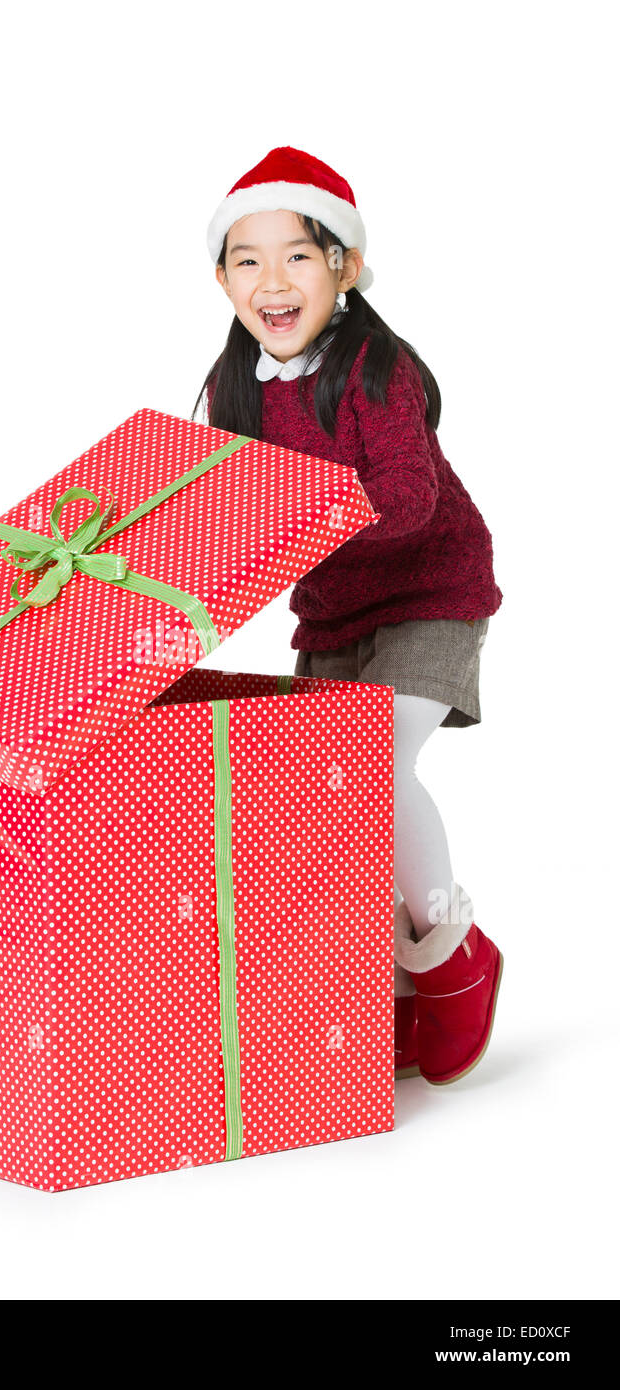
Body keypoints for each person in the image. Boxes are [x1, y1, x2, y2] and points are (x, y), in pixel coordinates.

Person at [194, 146, 503, 1086]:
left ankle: (453, 958)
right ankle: (393, 989)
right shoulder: (234, 390)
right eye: (248, 260)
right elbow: (221, 508)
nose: (273, 280)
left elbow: (407, 501)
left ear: (345, 268)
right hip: (333, 616)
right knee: (318, 796)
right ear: (221, 279)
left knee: (370, 758)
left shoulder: (377, 371)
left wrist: (290, 530)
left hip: (428, 595)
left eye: (299, 255)